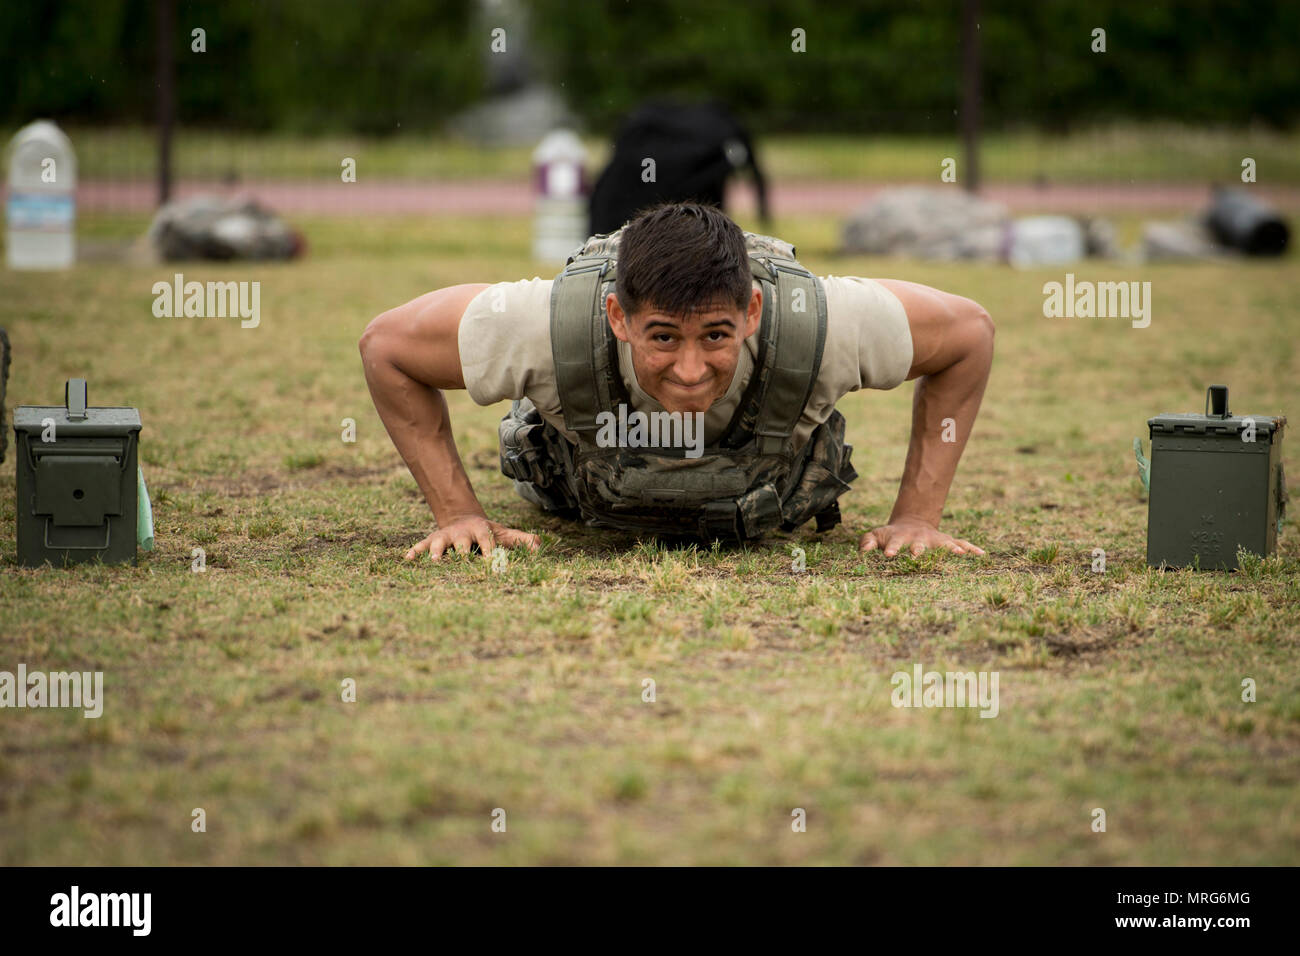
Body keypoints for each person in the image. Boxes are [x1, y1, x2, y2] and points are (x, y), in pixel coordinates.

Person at [360, 202, 993, 562]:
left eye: (715, 336)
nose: (690, 371)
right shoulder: (540, 325)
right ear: (618, 317)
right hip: (580, 490)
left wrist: (918, 518)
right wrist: (457, 514)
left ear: (752, 312)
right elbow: (386, 346)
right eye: (663, 337)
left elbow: (969, 335)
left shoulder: (826, 325)